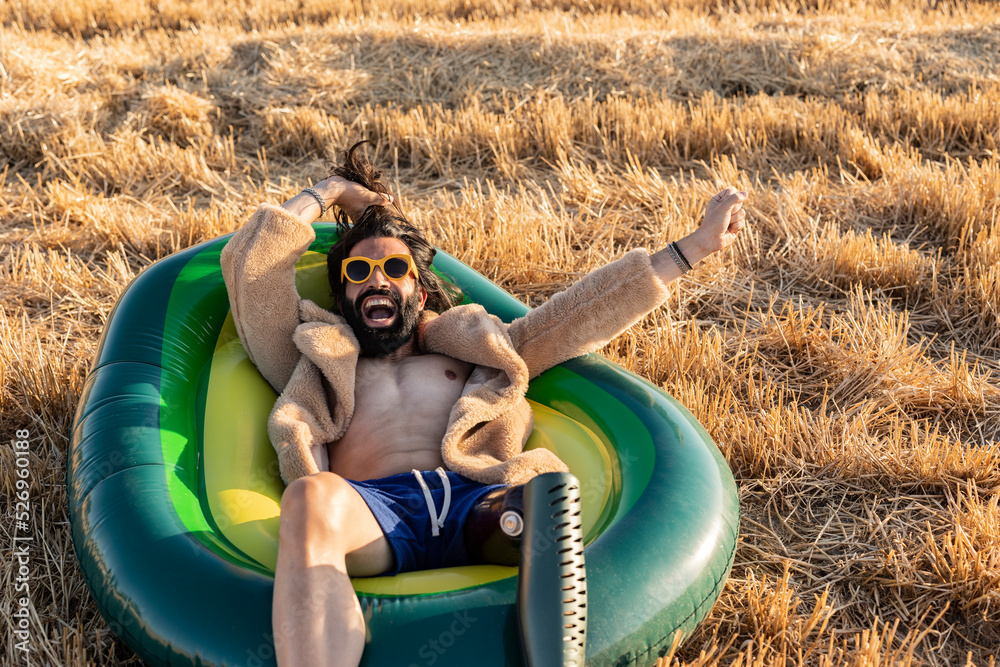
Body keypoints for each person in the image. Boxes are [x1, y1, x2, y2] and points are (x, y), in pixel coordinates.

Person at [220, 143, 748, 667]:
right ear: (342, 300)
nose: (375, 279)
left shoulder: (477, 350)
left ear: (420, 293)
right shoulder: (313, 354)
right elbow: (251, 266)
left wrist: (695, 247)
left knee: (544, 497)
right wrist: (331, 190)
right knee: (311, 497)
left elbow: (579, 313)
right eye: (357, 274)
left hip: (477, 499)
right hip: (373, 512)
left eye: (392, 268)